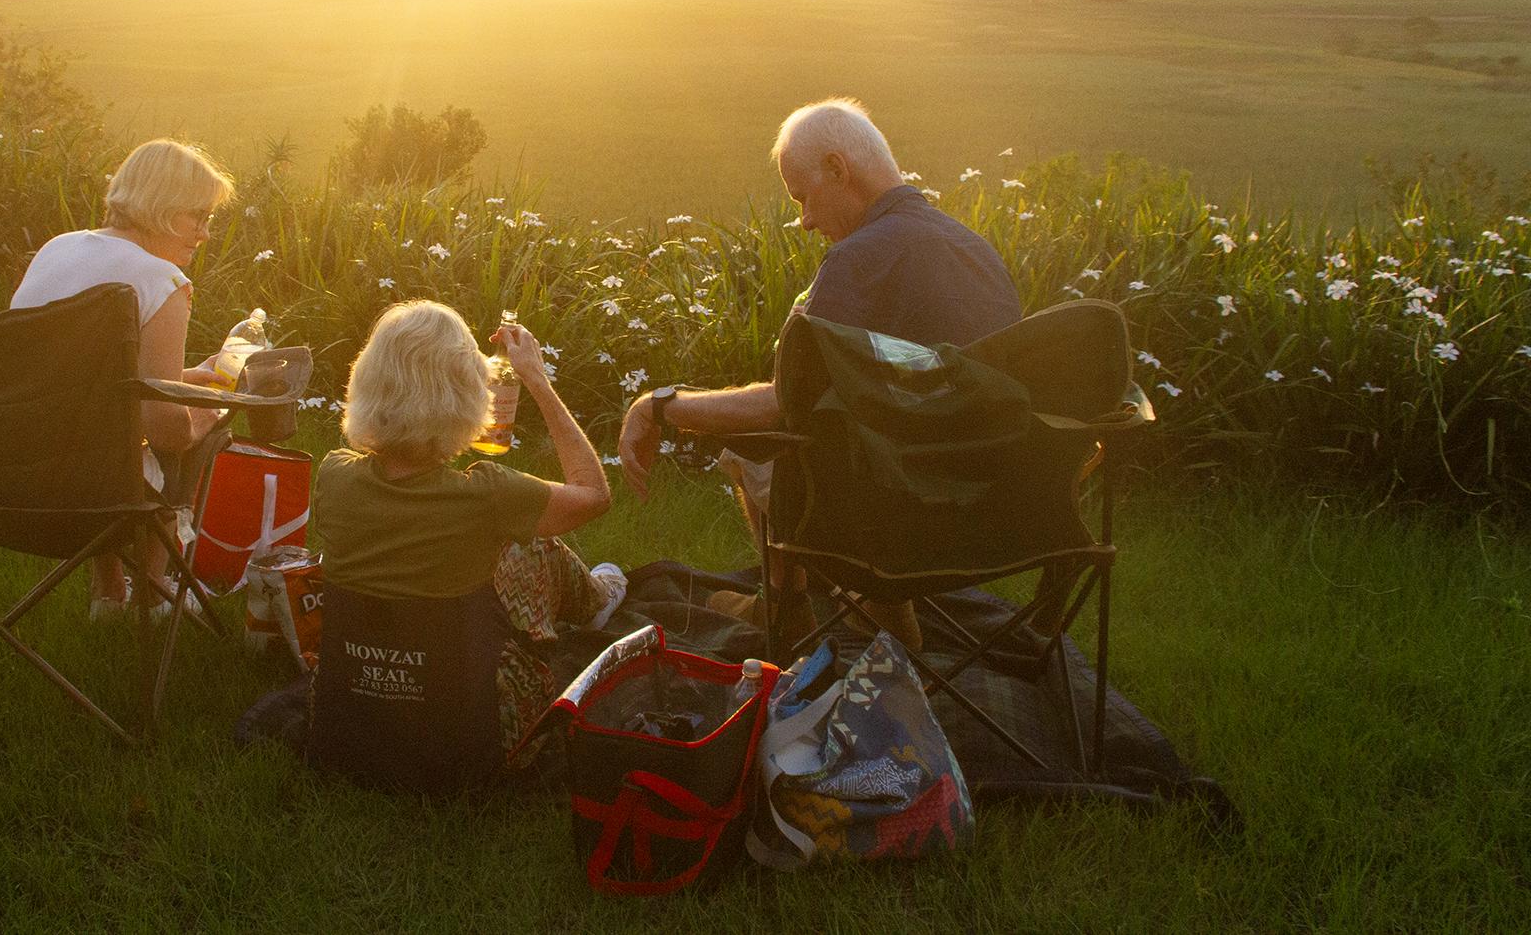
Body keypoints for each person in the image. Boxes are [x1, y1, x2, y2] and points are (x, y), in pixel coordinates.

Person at [616, 98, 1021, 644]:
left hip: (891, 518)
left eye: (803, 197)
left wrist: (661, 404)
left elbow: (786, 403)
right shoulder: (979, 252)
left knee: (748, 444)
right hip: (986, 513)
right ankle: (874, 610)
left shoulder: (858, 258)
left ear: (837, 168)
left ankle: (784, 607)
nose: (804, 220)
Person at [316, 300, 623, 751]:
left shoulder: (334, 475)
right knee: (533, 546)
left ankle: (594, 597)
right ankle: (596, 599)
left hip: (353, 725)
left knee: (511, 544)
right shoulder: (488, 495)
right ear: (466, 395)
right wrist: (536, 379)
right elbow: (594, 495)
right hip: (463, 735)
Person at [11, 137, 236, 621]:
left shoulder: (58, 248)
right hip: (99, 492)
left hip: (12, 474)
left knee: (113, 427)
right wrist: (209, 408)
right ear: (162, 208)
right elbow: (168, 432)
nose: (204, 233)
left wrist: (179, 379)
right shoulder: (161, 279)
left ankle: (108, 590)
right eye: (198, 216)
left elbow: (77, 377)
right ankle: (153, 593)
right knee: (200, 426)